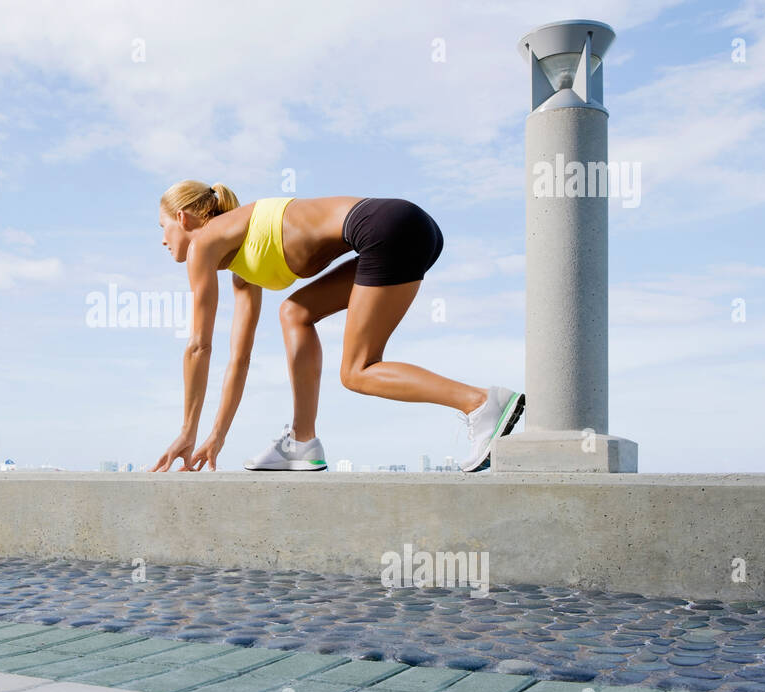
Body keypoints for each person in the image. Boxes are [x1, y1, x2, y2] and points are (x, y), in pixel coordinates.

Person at [150, 180, 524, 473]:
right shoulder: (242, 272)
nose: (162, 240)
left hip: (385, 227)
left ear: (183, 218)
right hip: (408, 227)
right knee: (295, 313)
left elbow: (199, 346)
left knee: (357, 371)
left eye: (163, 226)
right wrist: (216, 437)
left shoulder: (204, 243)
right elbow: (239, 359)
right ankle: (302, 441)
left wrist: (186, 432)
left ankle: (480, 403)